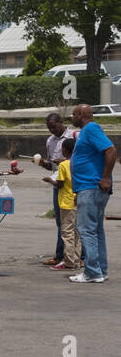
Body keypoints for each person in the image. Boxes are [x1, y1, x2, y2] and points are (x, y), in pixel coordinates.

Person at [68, 103, 115, 283]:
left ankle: (92, 272)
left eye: (73, 114)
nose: (72, 117)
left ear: (80, 114)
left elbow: (110, 150)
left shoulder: (91, 128)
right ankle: (100, 270)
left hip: (91, 186)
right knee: (95, 230)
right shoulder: (87, 131)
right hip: (88, 187)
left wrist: (105, 178)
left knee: (86, 229)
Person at [40, 113, 76, 266]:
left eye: (53, 127)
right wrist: (42, 163)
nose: (51, 130)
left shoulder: (73, 136)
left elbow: (80, 158)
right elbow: (51, 166)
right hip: (58, 182)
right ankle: (61, 255)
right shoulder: (50, 141)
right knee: (60, 222)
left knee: (74, 223)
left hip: (72, 184)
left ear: (61, 122)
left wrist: (66, 161)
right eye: (49, 128)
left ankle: (75, 257)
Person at [43, 137, 81, 271]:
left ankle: (68, 262)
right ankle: (76, 260)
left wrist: (49, 180)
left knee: (67, 233)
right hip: (79, 202)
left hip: (66, 203)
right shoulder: (79, 162)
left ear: (65, 150)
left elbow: (60, 184)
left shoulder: (64, 165)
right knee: (76, 233)